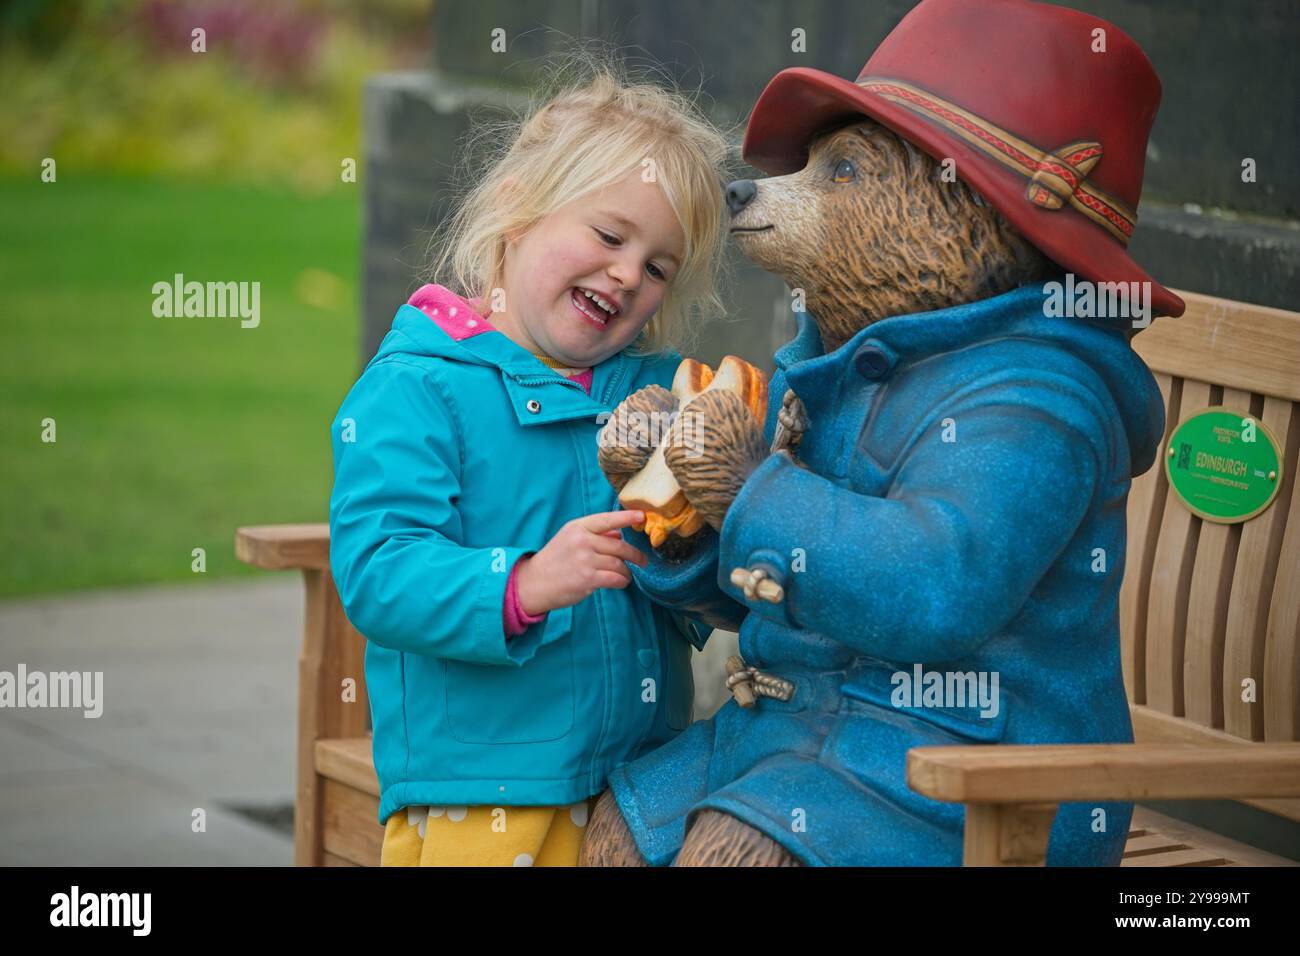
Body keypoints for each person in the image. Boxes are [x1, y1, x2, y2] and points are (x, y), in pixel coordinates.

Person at [327, 58, 732, 866]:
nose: (627, 274)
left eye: (658, 267)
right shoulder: (419, 388)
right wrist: (524, 583)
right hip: (484, 800)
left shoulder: (660, 398)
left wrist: (702, 543)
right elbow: (379, 568)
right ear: (518, 209)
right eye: (610, 236)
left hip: (641, 788)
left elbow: (701, 582)